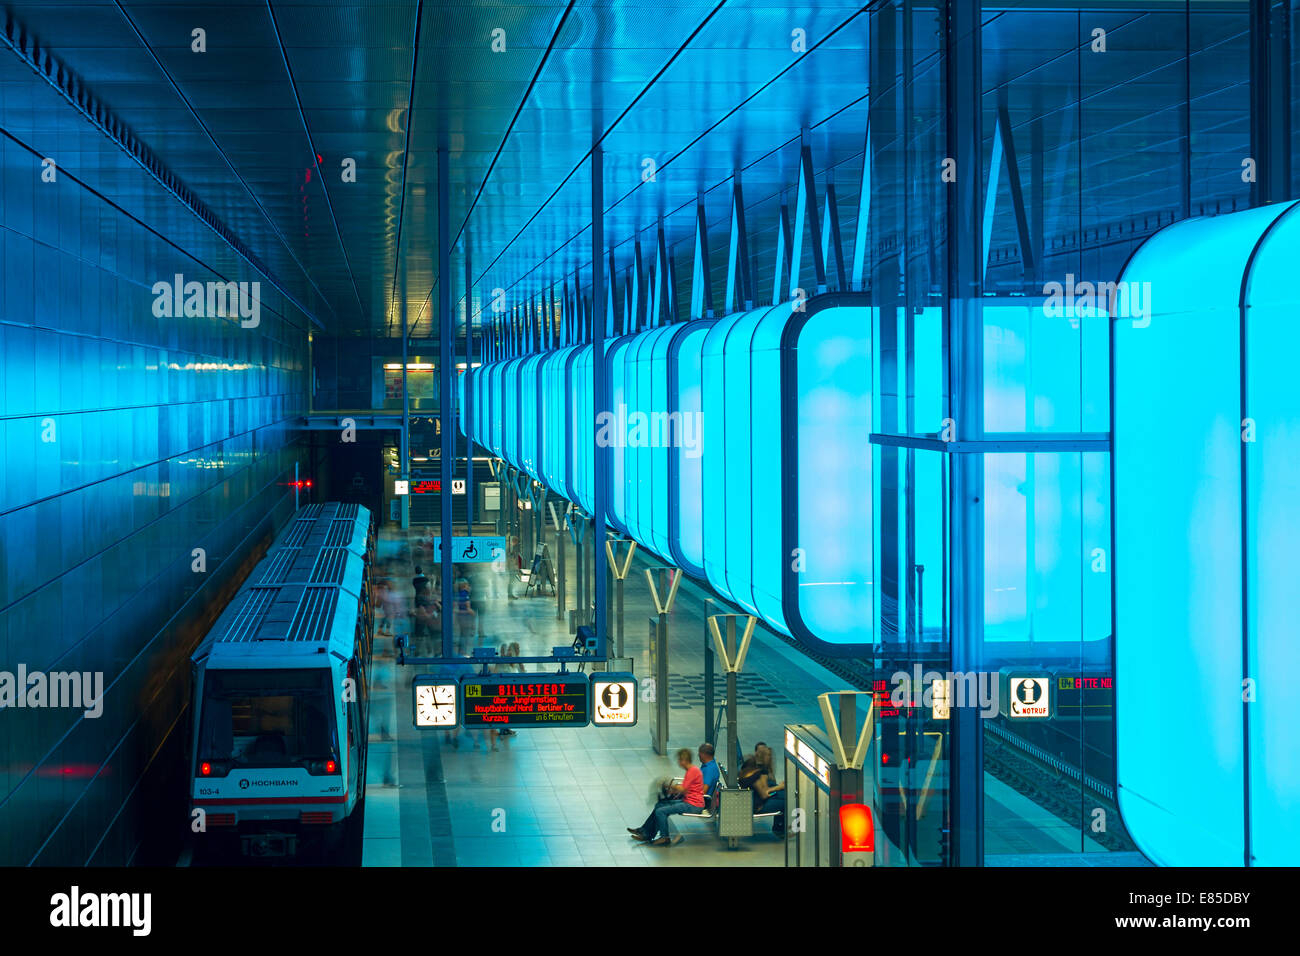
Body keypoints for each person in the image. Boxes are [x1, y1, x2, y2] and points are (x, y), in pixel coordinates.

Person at [627, 748, 705, 846]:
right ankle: (645, 832)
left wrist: (668, 785)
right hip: (688, 801)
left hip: (693, 805)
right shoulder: (691, 770)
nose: (679, 762)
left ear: (684, 760)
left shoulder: (693, 771)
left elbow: (683, 789)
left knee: (661, 811)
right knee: (659, 805)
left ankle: (665, 837)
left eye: (679, 760)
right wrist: (672, 789)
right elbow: (687, 789)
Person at [738, 751, 787, 835]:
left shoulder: (744, 776)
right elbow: (764, 794)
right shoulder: (756, 777)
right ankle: (779, 828)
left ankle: (778, 827)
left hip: (753, 803)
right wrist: (779, 787)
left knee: (782, 795)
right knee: (786, 801)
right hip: (760, 806)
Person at [698, 742, 720, 810]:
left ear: (704, 755)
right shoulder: (710, 765)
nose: (698, 755)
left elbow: (703, 791)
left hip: (700, 802)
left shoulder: (709, 770)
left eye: (699, 753)